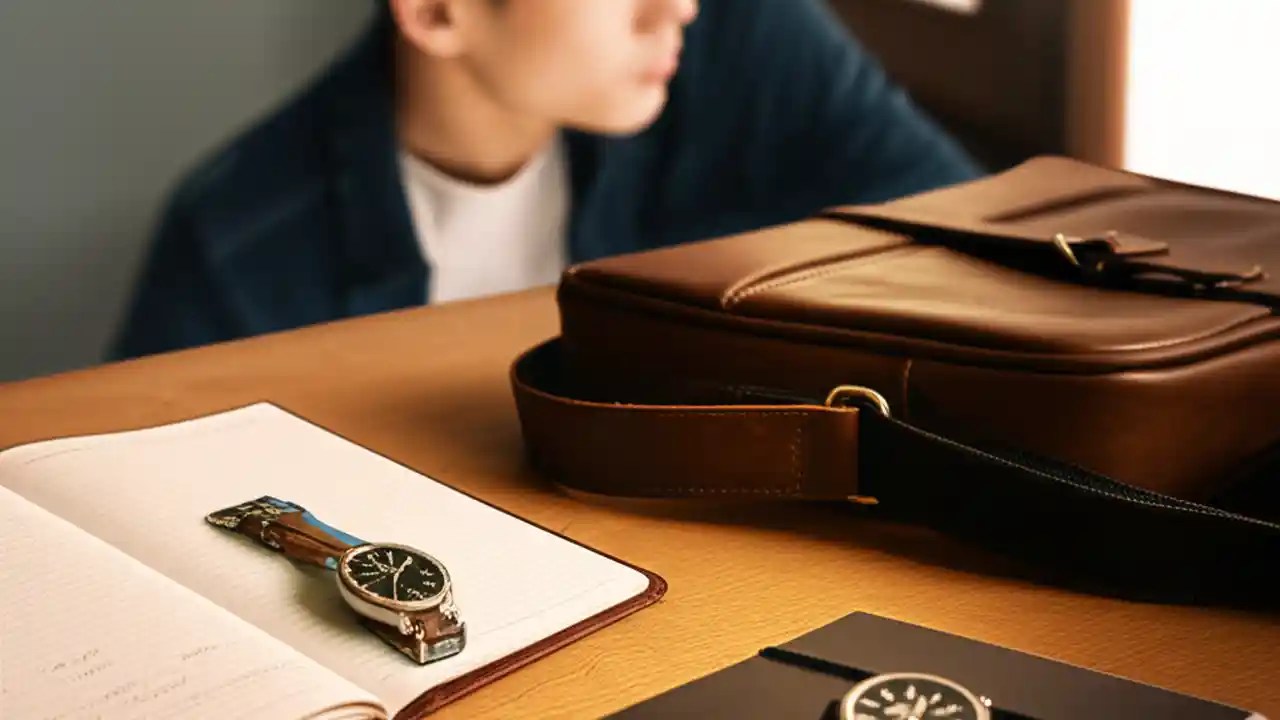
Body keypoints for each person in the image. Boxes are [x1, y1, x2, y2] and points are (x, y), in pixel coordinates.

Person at [109, 0, 981, 360]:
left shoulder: (740, 41)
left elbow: (988, 255)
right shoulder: (239, 248)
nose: (675, 8)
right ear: (437, 13)